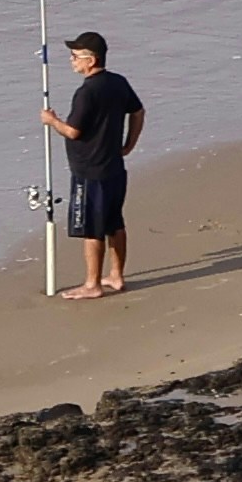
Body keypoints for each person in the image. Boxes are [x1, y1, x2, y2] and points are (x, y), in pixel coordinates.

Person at [49, 31, 146, 301]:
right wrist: (128, 145)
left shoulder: (87, 92)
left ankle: (92, 284)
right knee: (114, 222)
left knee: (92, 227)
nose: (71, 61)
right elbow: (138, 111)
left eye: (76, 56)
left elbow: (73, 131)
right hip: (114, 167)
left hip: (90, 171)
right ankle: (116, 275)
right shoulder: (117, 82)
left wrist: (51, 121)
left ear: (91, 60)